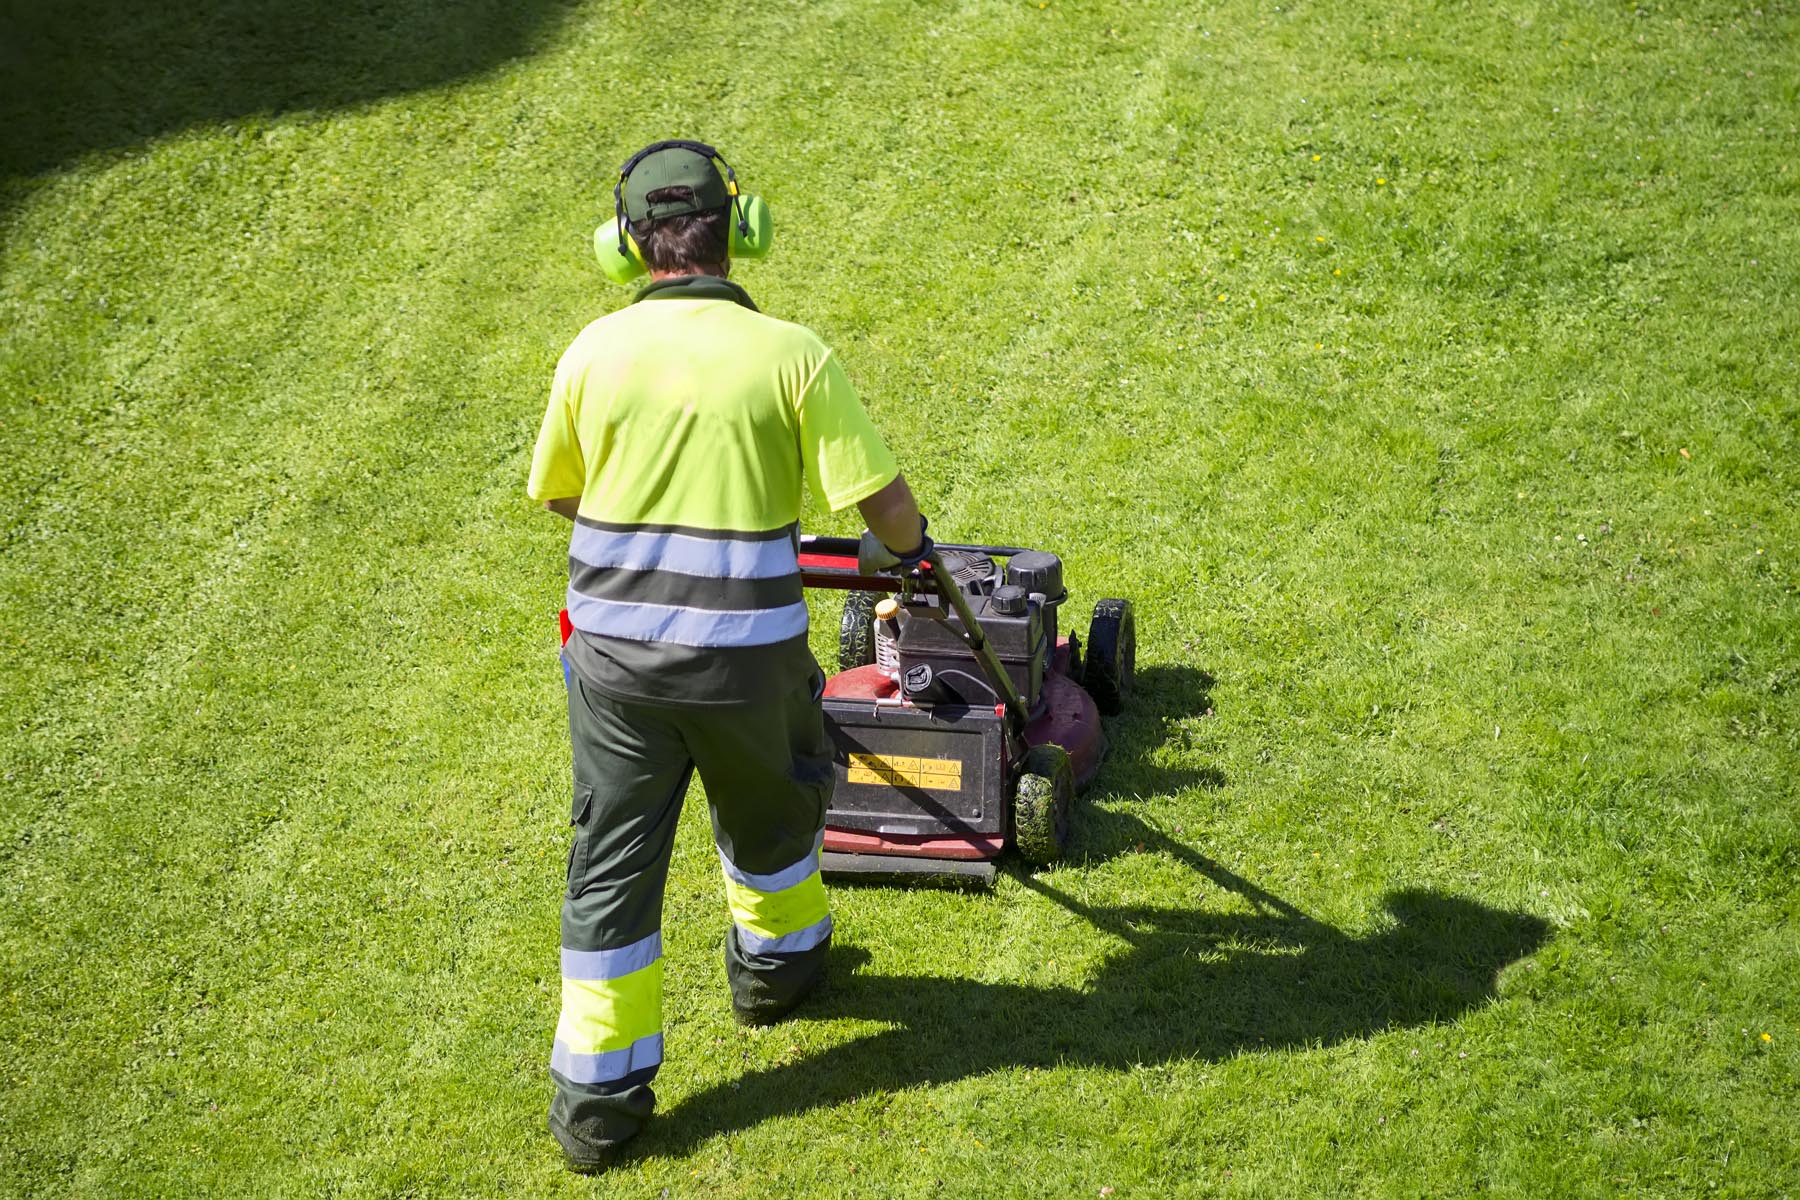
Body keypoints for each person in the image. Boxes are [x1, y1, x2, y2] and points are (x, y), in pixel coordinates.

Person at [526, 140, 931, 1172]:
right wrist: (905, 551)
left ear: (627, 244)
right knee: (775, 809)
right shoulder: (791, 355)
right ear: (739, 230)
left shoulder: (590, 352)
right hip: (748, 665)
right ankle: (777, 974)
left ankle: (597, 1108)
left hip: (612, 667)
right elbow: (885, 513)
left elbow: (564, 492)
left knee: (611, 864)